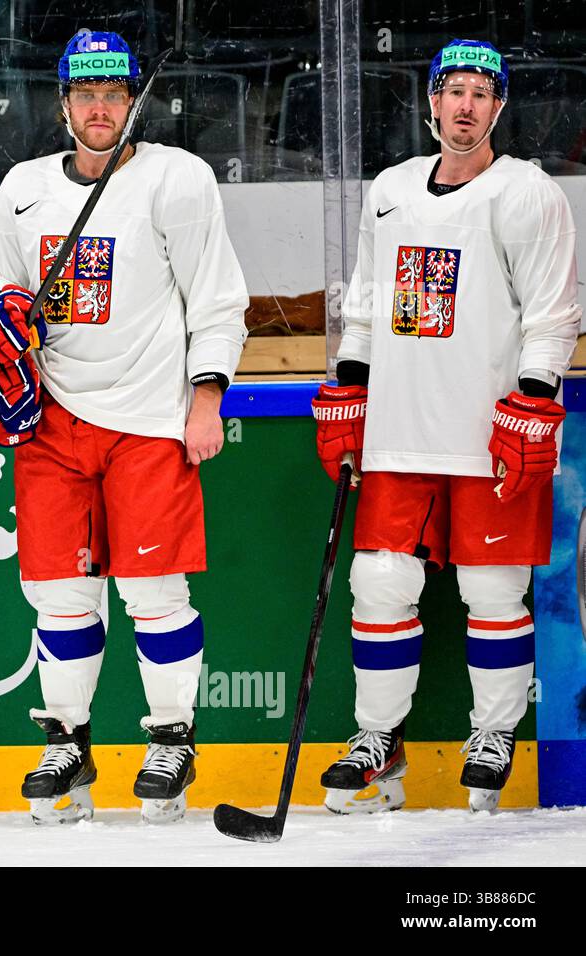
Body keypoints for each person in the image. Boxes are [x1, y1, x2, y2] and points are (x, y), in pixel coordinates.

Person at [0, 30, 249, 824]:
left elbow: (216, 296)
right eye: (85, 95)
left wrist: (208, 396)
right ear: (63, 104)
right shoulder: (24, 189)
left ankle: (172, 736)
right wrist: (0, 340)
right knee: (59, 595)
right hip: (53, 423)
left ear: (133, 101)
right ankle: (67, 737)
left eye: (113, 94)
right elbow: (1, 291)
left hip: (151, 419)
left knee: (154, 591)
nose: (100, 109)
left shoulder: (177, 177)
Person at [312, 39, 580, 813]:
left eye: (480, 94)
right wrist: (352, 388)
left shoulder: (527, 193)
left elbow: (553, 313)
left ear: (499, 106)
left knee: (495, 589)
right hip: (399, 429)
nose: (465, 106)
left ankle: (492, 735)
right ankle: (377, 742)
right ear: (430, 102)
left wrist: (532, 401)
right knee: (380, 582)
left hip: (490, 431)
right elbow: (364, 302)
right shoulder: (390, 189)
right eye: (453, 91)